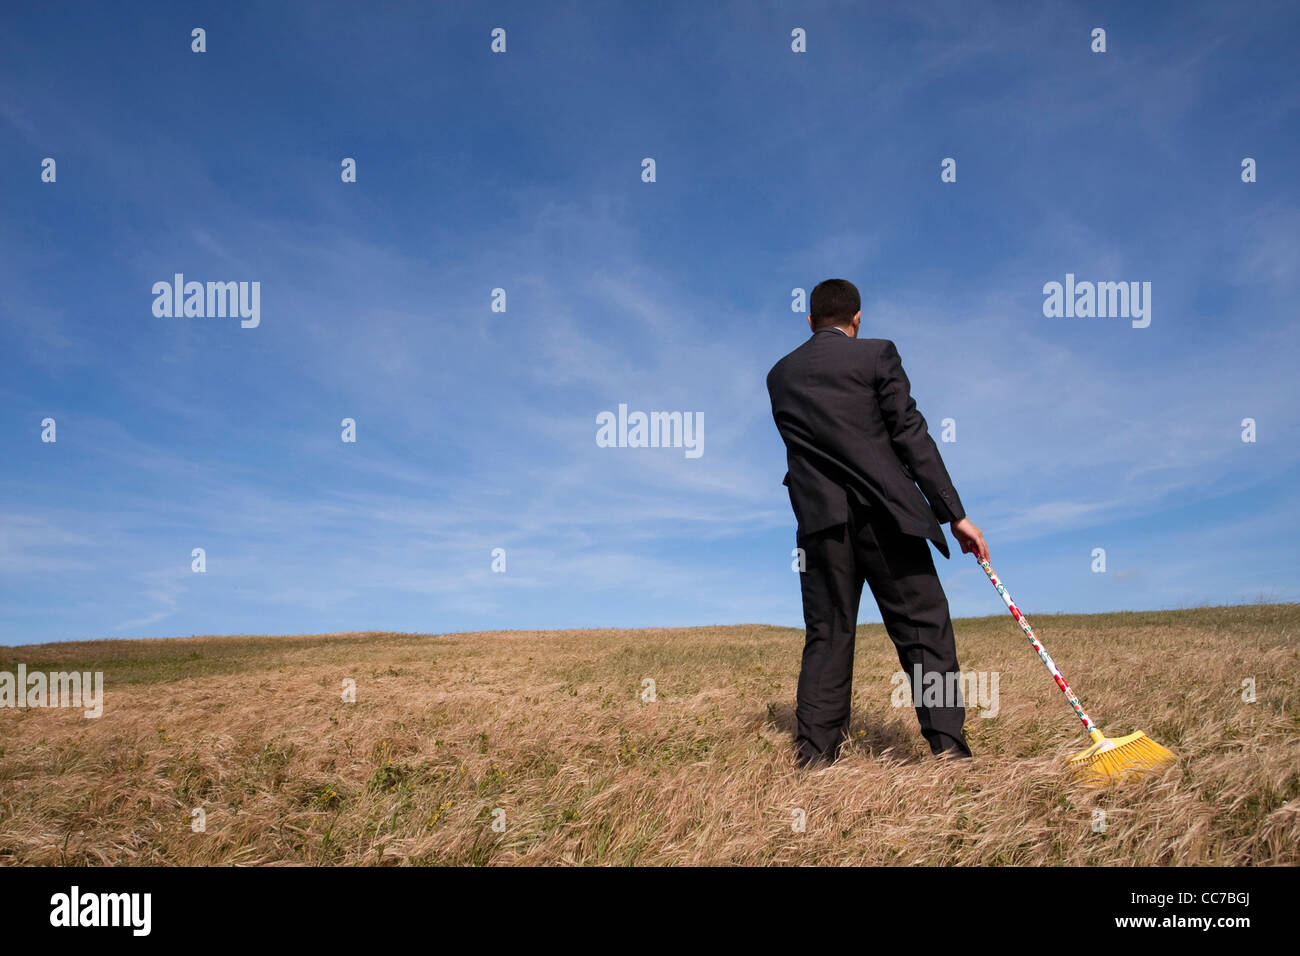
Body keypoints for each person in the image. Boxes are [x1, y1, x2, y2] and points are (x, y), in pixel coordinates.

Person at [766, 278, 989, 767]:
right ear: (857, 319)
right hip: (889, 518)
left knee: (828, 632)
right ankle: (949, 752)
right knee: (923, 630)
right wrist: (956, 514)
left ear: (810, 321)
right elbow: (910, 435)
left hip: (821, 527)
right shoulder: (876, 355)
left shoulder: (780, 375)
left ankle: (816, 759)